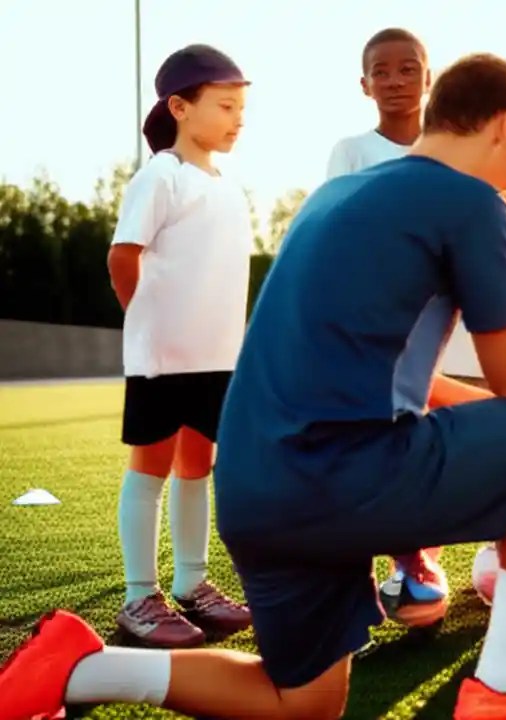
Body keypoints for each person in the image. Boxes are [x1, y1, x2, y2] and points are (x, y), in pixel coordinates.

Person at [0, 52, 506, 720]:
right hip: (340, 473)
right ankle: (505, 685)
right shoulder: (472, 201)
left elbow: (403, 380)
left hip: (256, 488)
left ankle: (80, 669)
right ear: (504, 124)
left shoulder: (336, 197)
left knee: (304, 703)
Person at [103, 43, 254, 649]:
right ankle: (139, 597)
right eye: (225, 105)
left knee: (200, 465)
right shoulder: (161, 174)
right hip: (164, 359)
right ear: (180, 107)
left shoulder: (227, 186)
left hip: (216, 360)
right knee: (151, 469)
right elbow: (122, 255)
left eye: (242, 107)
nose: (237, 118)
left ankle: (192, 584)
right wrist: (149, 325)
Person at [322, 26, 454, 628]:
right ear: (363, 83)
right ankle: (355, 569)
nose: (395, 81)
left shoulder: (452, 147)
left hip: (432, 318)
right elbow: (335, 230)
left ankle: (413, 559)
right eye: (382, 70)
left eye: (408, 69)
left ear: (429, 77)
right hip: (365, 317)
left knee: (414, 430)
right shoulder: (351, 151)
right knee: (363, 435)